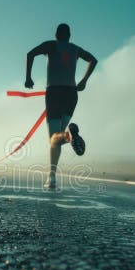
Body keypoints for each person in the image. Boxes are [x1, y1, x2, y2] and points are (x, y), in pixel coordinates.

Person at [25, 23, 98, 189]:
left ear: (56, 34)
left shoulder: (51, 45)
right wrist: (84, 81)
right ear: (70, 35)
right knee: (57, 138)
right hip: (71, 94)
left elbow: (30, 54)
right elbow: (93, 60)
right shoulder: (75, 49)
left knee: (53, 139)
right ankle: (52, 177)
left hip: (55, 93)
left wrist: (28, 78)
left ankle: (52, 175)